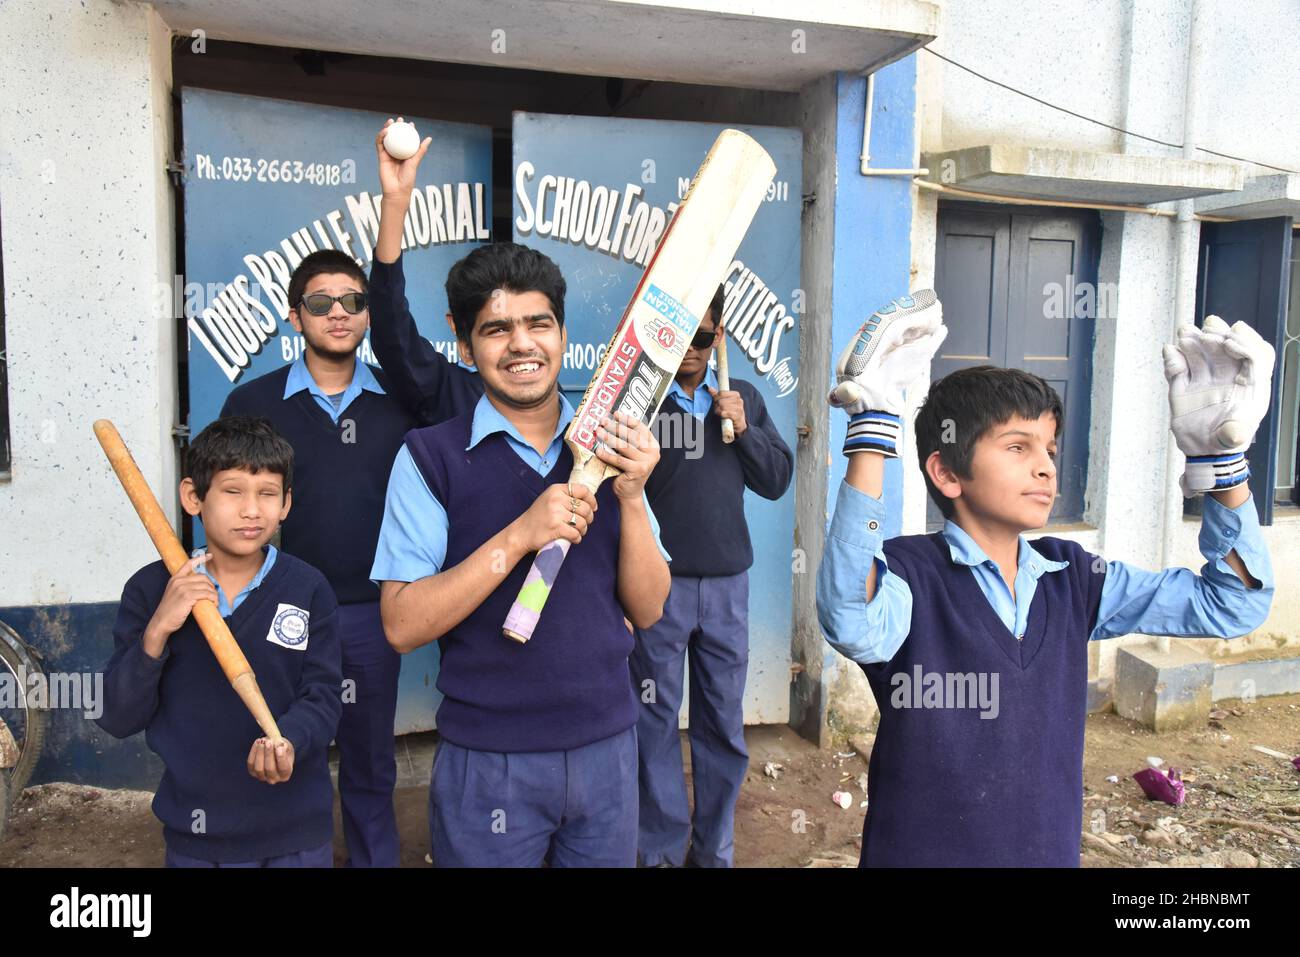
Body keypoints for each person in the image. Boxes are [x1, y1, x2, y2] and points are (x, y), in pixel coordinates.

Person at [816, 297, 1275, 866]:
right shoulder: (910, 574)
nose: (1045, 467)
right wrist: (872, 430)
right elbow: (851, 622)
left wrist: (1222, 463)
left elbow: (1231, 605)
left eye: (1050, 450)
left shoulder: (1074, 577)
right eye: (1017, 447)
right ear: (946, 472)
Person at [371, 241, 673, 867]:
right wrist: (518, 536)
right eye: (497, 329)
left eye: (538, 324)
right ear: (464, 345)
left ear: (562, 334)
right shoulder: (429, 458)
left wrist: (635, 497)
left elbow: (648, 610)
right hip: (489, 763)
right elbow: (401, 625)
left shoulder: (612, 444)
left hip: (609, 751)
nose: (522, 345)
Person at [219, 248, 414, 867]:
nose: (339, 314)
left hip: (371, 612)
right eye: (320, 302)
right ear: (294, 314)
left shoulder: (401, 401)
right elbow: (225, 506)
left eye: (354, 301)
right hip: (278, 608)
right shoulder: (254, 404)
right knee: (276, 745)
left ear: (368, 314)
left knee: (368, 759)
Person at [97, 416, 342, 867]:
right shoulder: (151, 591)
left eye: (267, 493)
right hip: (198, 836)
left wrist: (287, 739)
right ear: (194, 497)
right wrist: (159, 630)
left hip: (296, 834)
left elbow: (324, 697)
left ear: (286, 503)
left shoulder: (307, 588)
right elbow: (116, 715)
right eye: (233, 492)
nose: (252, 510)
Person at [633, 284, 793, 868]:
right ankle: (659, 852)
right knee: (651, 721)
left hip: (728, 588)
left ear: (718, 337)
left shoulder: (741, 394)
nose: (692, 350)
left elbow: (775, 480)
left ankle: (713, 852)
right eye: (682, 337)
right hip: (659, 587)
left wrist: (745, 427)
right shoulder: (643, 399)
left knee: (722, 724)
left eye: (703, 337)